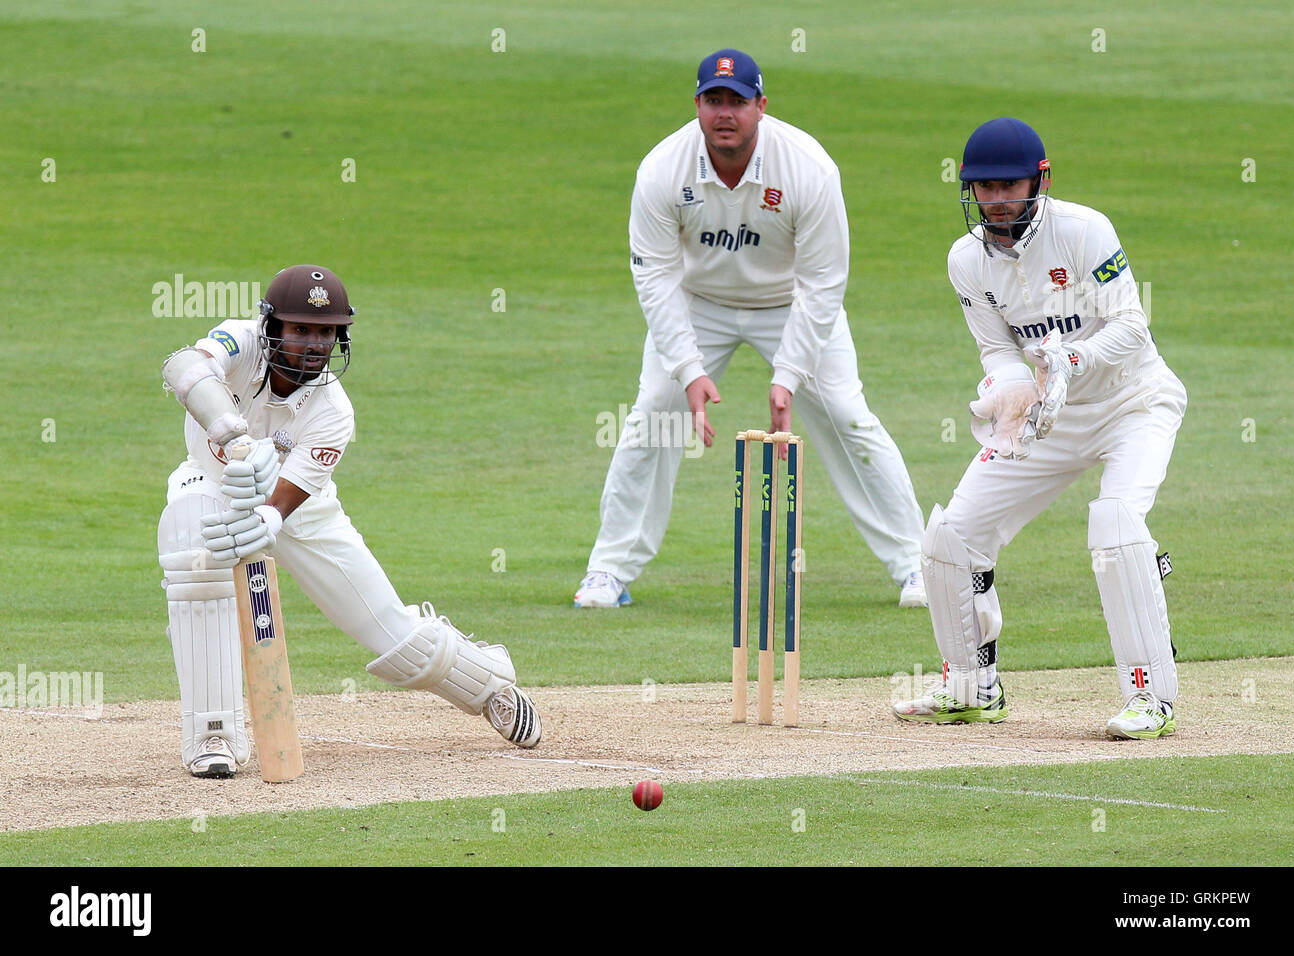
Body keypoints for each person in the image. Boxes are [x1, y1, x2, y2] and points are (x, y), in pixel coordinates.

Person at [574, 48, 927, 610]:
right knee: (653, 413)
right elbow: (657, 280)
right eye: (713, 101)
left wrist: (787, 376)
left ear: (761, 106)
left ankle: (918, 565)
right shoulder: (662, 169)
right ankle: (608, 571)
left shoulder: (808, 168)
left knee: (846, 416)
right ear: (696, 106)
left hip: (791, 303)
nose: (725, 113)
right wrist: (688, 372)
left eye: (737, 101)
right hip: (698, 302)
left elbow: (824, 283)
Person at [157, 264, 541, 778]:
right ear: (272, 327)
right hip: (210, 478)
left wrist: (268, 519)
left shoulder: (334, 411)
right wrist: (230, 432)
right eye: (302, 329)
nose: (315, 343)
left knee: (390, 634)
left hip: (298, 510)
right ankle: (214, 735)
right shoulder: (240, 341)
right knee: (191, 540)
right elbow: (184, 366)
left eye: (326, 331)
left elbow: (283, 505)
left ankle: (487, 679)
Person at [893, 118, 1187, 739]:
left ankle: (1150, 697)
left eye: (1009, 185)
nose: (996, 200)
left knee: (1116, 526)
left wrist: (1070, 361)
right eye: (983, 187)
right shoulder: (967, 259)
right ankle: (971, 686)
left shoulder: (1084, 230)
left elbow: (1131, 326)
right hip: (1046, 418)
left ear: (1039, 180)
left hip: (1132, 404)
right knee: (952, 534)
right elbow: (995, 350)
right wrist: (1011, 389)